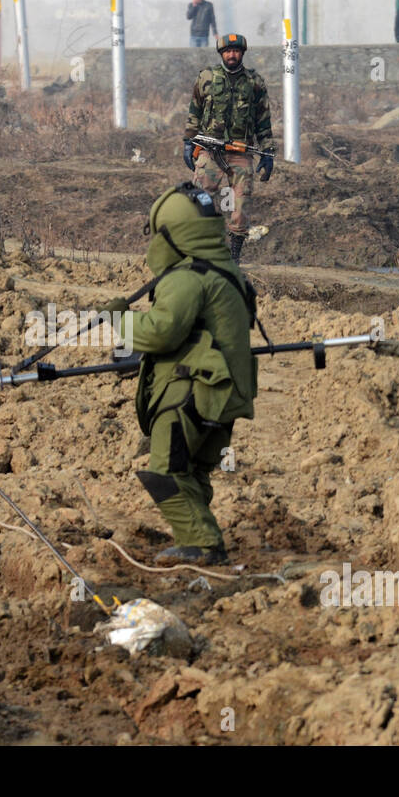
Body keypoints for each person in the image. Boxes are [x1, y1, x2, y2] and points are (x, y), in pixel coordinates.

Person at [96, 185, 258, 565]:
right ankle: (200, 542)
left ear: (171, 234)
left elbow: (161, 330)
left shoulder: (187, 277)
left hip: (190, 392)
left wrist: (120, 319)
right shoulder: (227, 271)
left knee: (165, 471)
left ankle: (202, 544)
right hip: (225, 396)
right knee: (194, 471)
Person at [182, 32, 275, 263]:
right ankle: (194, 251)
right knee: (197, 200)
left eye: (236, 51)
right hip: (209, 151)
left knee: (241, 205)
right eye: (227, 51)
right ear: (222, 53)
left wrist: (268, 152)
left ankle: (233, 257)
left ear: (242, 53)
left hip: (241, 153)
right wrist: (188, 141)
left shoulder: (254, 82)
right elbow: (195, 109)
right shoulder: (207, 77)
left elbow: (263, 119)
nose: (232, 55)